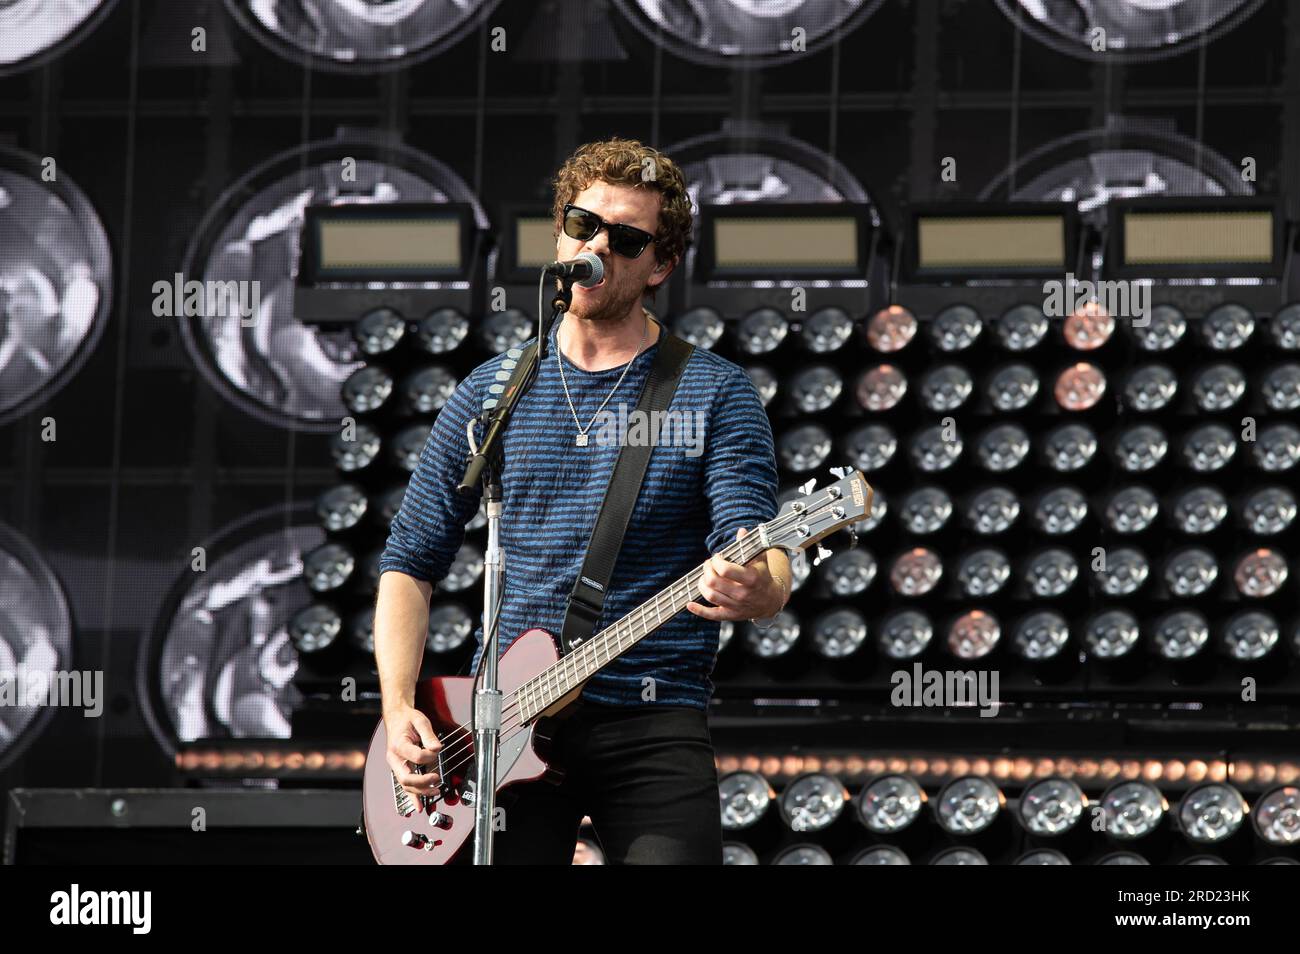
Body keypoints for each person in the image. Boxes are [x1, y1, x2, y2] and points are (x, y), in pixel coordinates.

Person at [373, 136, 788, 864]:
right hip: (500, 726)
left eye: (626, 239)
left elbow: (762, 550)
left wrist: (760, 588)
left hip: (653, 721)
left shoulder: (714, 394)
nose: (597, 246)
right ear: (558, 232)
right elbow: (409, 560)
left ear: (660, 264)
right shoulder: (493, 393)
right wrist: (399, 705)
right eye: (582, 225)